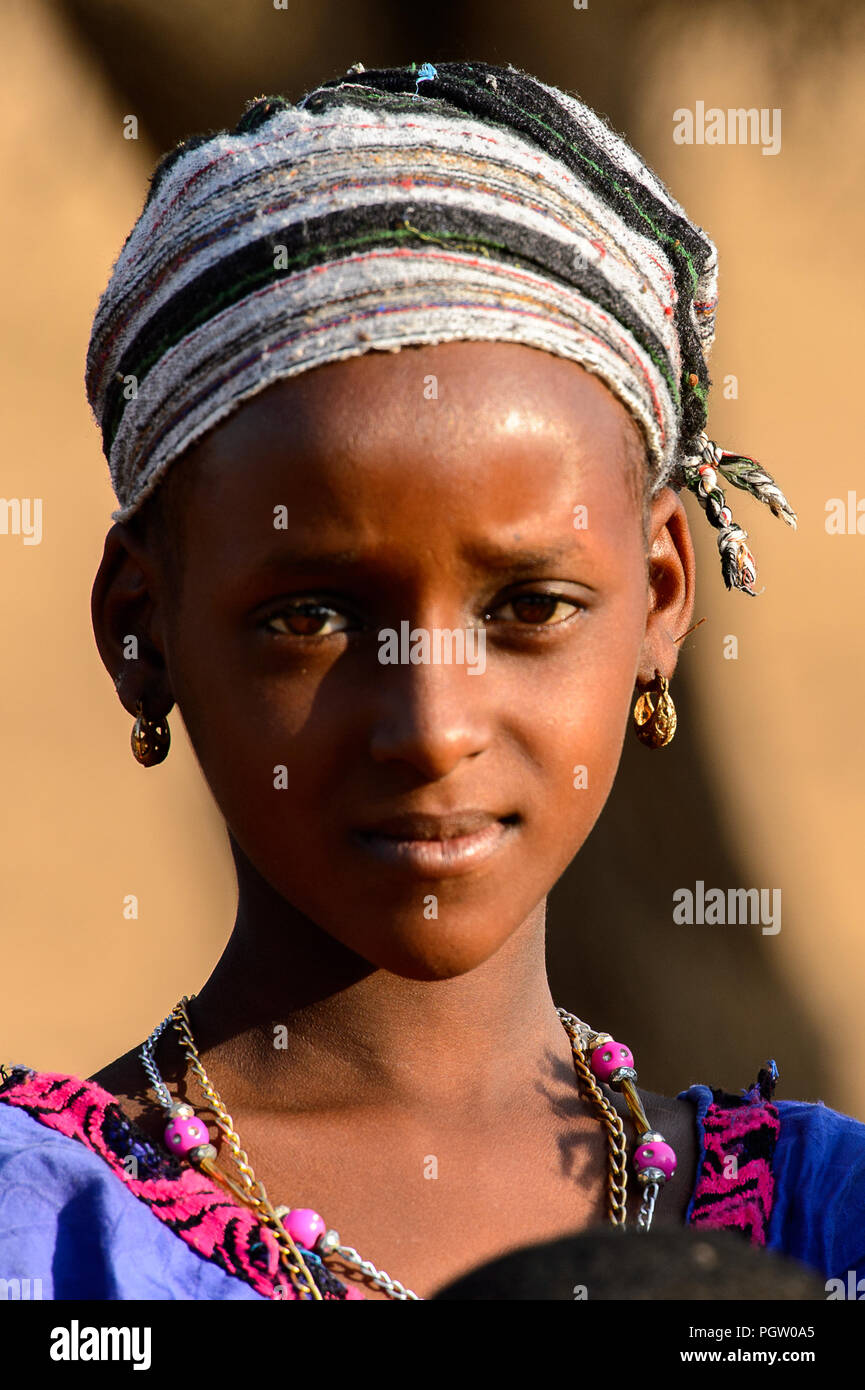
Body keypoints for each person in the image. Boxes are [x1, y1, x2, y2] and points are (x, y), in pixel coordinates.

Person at [1, 59, 863, 1302]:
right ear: (142, 631)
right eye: (311, 617)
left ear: (663, 596)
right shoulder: (45, 1244)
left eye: (528, 607)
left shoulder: (815, 1234)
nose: (431, 724)